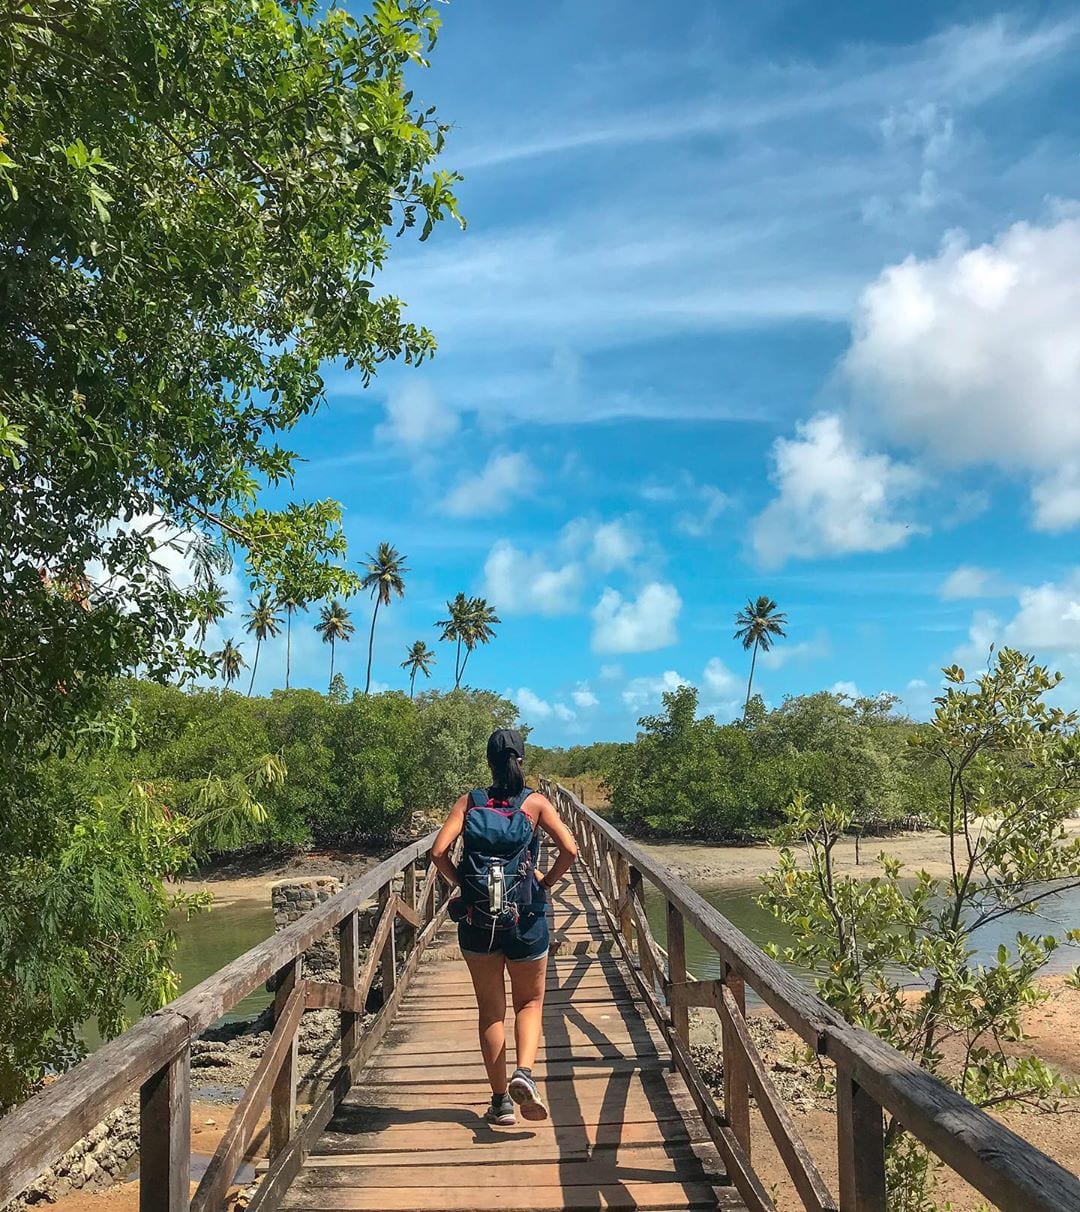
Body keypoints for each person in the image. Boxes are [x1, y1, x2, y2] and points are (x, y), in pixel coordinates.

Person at [431, 728, 578, 1126]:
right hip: (526, 917)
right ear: (521, 760)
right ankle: (525, 1073)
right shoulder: (535, 803)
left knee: (490, 1011)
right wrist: (545, 885)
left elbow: (438, 851)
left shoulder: (470, 801)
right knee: (529, 1003)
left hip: (478, 919)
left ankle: (501, 1102)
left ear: (489, 763)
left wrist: (461, 884)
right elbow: (570, 850)